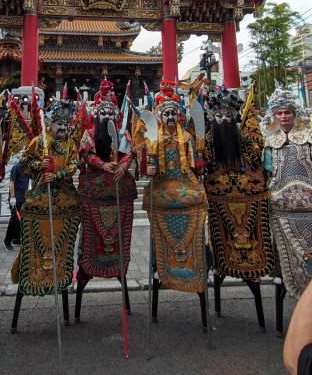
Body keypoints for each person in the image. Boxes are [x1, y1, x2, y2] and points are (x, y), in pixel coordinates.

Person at [135, 80, 208, 295]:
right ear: (159, 116)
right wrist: (148, 169)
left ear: (178, 115)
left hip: (184, 183)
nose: (169, 118)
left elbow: (195, 166)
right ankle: (162, 266)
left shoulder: (186, 138)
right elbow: (146, 164)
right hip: (162, 184)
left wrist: (200, 164)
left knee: (197, 202)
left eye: (173, 114)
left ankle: (197, 265)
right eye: (165, 114)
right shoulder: (152, 139)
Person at [11, 99, 81, 297]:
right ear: (50, 124)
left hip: (64, 192)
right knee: (32, 212)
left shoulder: (70, 144)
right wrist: (39, 166)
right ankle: (32, 269)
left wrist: (58, 175)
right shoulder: (40, 141)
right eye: (59, 124)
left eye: (66, 125)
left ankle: (62, 269)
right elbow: (25, 160)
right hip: (42, 190)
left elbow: (74, 164)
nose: (63, 128)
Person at [204, 90, 274, 284]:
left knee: (252, 232)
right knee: (223, 236)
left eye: (228, 116)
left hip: (248, 195)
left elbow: (257, 163)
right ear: (212, 117)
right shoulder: (207, 141)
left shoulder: (246, 139)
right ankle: (220, 265)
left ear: (235, 117)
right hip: (218, 197)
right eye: (219, 116)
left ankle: (253, 269)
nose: (224, 120)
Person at [75, 79, 137, 301]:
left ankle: (118, 267)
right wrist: (101, 165)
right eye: (104, 113)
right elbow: (85, 154)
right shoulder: (89, 133)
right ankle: (88, 268)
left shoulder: (122, 133)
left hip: (118, 187)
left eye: (111, 112)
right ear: (96, 115)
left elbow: (129, 151)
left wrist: (122, 166)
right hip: (94, 186)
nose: (108, 116)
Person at [263, 85, 312, 299]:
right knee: (289, 255)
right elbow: (266, 173)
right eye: (279, 113)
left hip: (309, 208)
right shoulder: (269, 143)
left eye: (287, 112)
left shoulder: (308, 138)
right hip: (281, 211)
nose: (283, 116)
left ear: (295, 114)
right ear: (273, 115)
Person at [3, 160, 29, 251]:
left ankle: (16, 239)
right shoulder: (16, 167)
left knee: (20, 219)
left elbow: (26, 184)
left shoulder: (27, 169)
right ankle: (7, 241)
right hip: (15, 199)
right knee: (14, 219)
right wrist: (12, 197)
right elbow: (12, 182)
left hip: (23, 198)